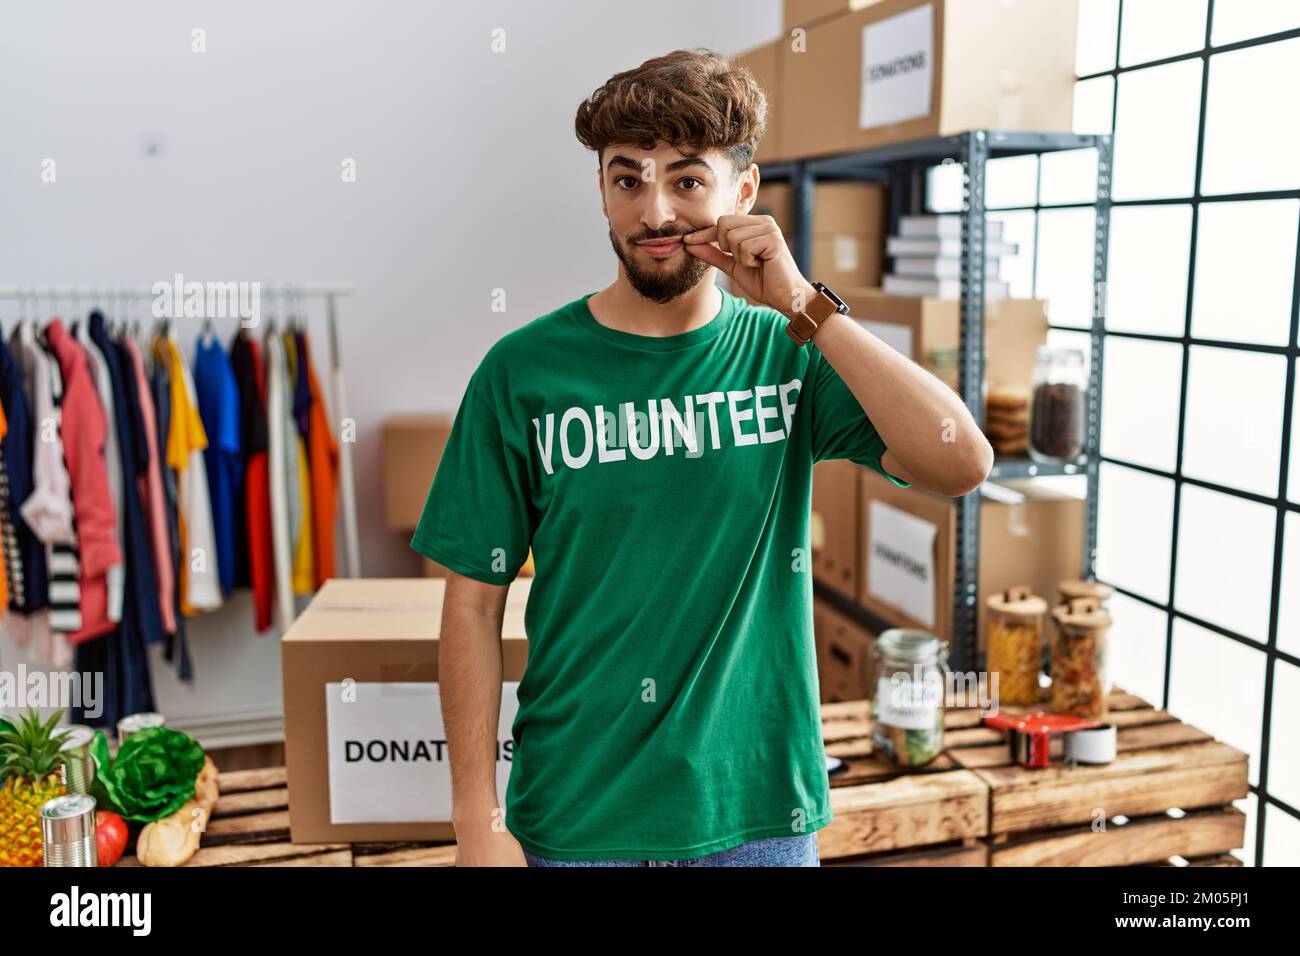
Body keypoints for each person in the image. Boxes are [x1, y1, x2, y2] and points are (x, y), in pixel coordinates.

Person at [410, 49, 993, 867]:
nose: (655, 212)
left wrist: (804, 304)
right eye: (627, 180)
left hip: (758, 818)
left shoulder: (789, 351)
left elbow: (962, 461)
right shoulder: (521, 373)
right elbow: (471, 607)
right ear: (602, 191)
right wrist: (478, 821)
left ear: (742, 193)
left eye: (686, 180)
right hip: (577, 820)